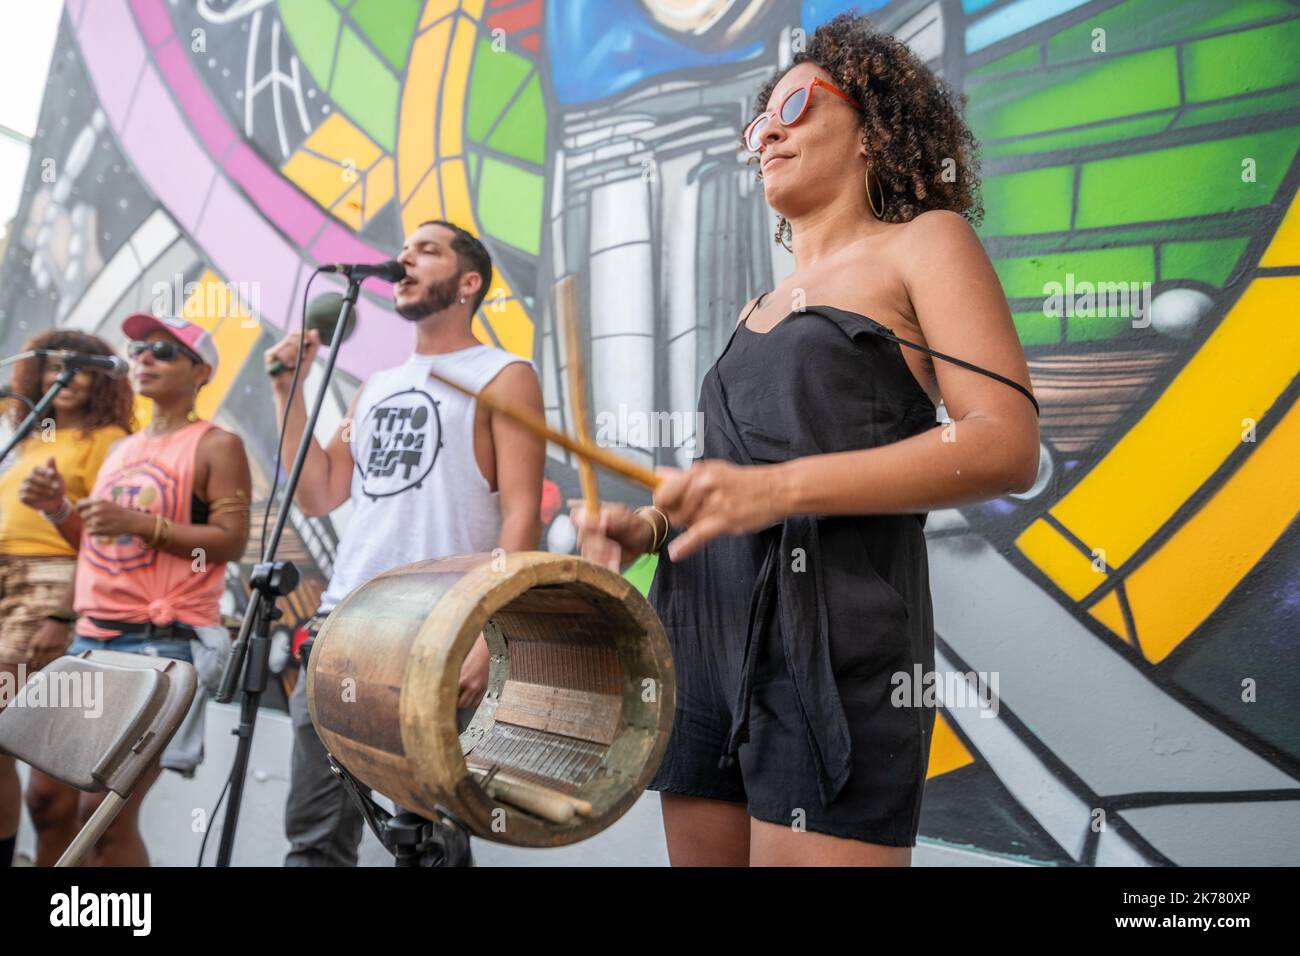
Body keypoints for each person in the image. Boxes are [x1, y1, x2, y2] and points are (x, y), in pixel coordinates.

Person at [571, 14, 1041, 867]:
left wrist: (782, 490)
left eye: (793, 102)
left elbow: (1005, 444)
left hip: (833, 644)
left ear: (873, 126)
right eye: (757, 122)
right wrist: (650, 527)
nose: (767, 132)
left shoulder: (925, 243)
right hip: (703, 639)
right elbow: (737, 486)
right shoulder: (759, 304)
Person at [270, 219, 544, 866]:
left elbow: (523, 517)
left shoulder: (504, 374)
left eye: (427, 250)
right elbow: (319, 493)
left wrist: (489, 632)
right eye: (402, 251)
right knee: (314, 839)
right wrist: (291, 392)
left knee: (430, 843)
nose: (405, 259)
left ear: (468, 282)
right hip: (345, 622)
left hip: (438, 629)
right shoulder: (375, 386)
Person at [23, 314, 252, 866]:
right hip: (90, 640)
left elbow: (231, 541)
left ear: (201, 372)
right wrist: (58, 508)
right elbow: (100, 543)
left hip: (157, 647)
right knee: (47, 802)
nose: (144, 358)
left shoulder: (218, 444)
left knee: (101, 820)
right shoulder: (122, 450)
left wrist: (139, 523)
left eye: (163, 351)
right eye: (139, 349)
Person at [0, 331, 134, 868]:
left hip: (51, 581)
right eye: (56, 365)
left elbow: (102, 539)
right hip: (5, 577)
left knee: (33, 758)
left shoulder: (109, 439)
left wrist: (64, 610)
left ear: (102, 378)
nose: (68, 376)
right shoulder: (28, 437)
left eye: (81, 368)